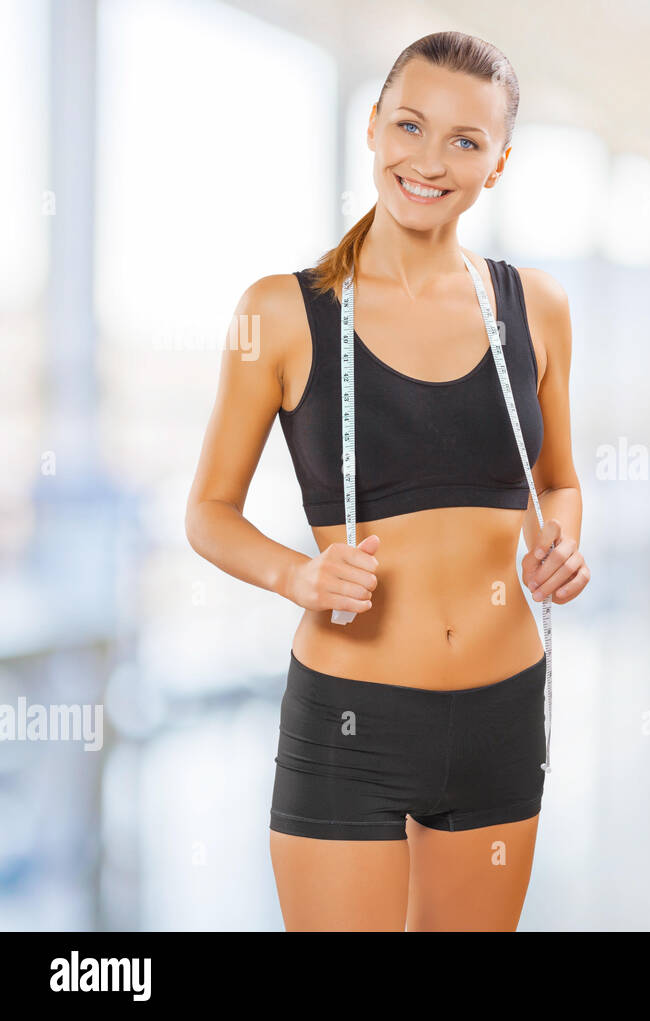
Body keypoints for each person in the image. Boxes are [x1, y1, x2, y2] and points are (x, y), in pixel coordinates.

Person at [185, 31, 588, 931]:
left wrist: (557, 539)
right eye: (410, 125)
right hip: (351, 718)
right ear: (372, 126)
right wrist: (297, 575)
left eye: (466, 141)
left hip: (503, 712)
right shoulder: (282, 312)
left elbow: (556, 482)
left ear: (501, 160)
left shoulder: (537, 307)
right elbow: (208, 512)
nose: (430, 161)